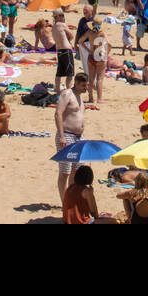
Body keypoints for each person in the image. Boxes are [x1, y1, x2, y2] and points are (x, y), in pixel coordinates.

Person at [55, 73, 87, 202]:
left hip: (79, 137)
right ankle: (64, 201)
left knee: (76, 170)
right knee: (65, 171)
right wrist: (61, 135)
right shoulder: (67, 94)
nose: (86, 87)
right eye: (83, 85)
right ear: (77, 83)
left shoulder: (79, 97)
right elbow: (58, 114)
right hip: (67, 135)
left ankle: (71, 199)